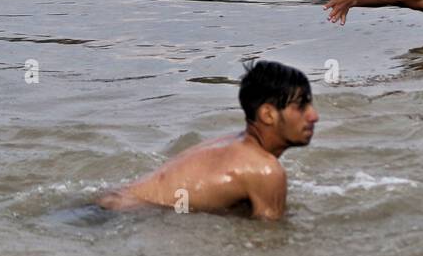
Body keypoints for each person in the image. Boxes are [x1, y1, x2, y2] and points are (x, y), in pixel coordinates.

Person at [98, 60, 316, 221]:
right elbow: (269, 247)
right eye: (301, 106)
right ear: (268, 114)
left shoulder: (233, 143)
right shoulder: (266, 171)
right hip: (122, 219)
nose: (314, 115)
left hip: (105, 207)